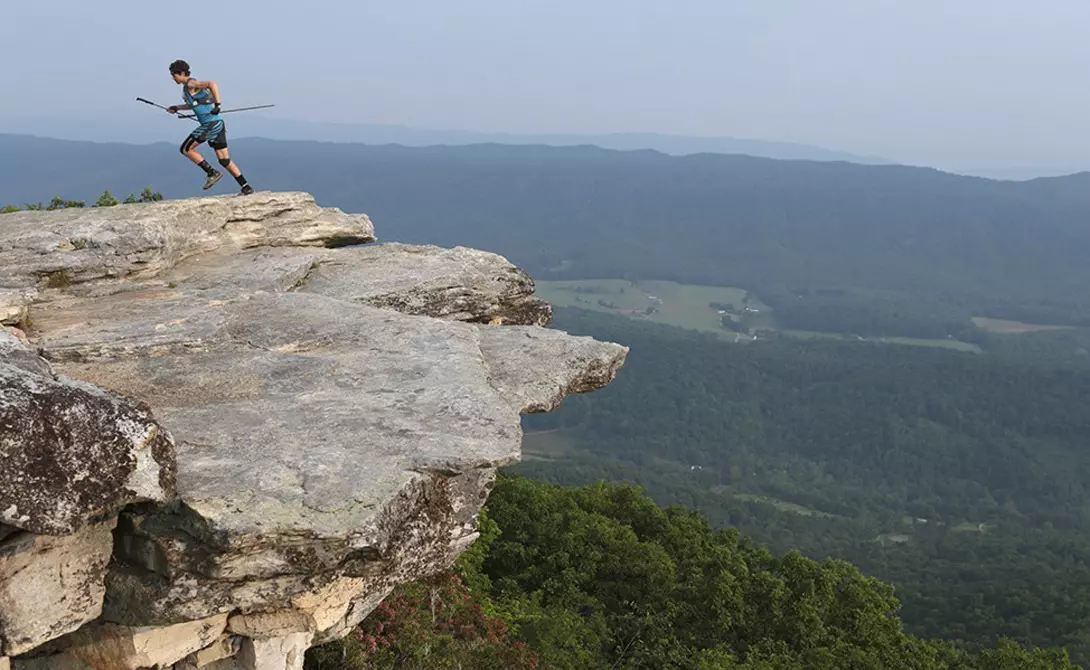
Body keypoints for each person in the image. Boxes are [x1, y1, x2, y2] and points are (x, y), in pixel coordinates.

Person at [167, 60, 254, 195]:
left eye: (174, 75)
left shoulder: (191, 83)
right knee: (224, 160)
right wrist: (177, 107)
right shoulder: (187, 88)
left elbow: (212, 84)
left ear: (182, 73)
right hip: (218, 124)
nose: (173, 78)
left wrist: (217, 105)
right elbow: (194, 105)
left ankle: (212, 172)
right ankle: (246, 186)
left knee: (186, 149)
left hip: (211, 125)